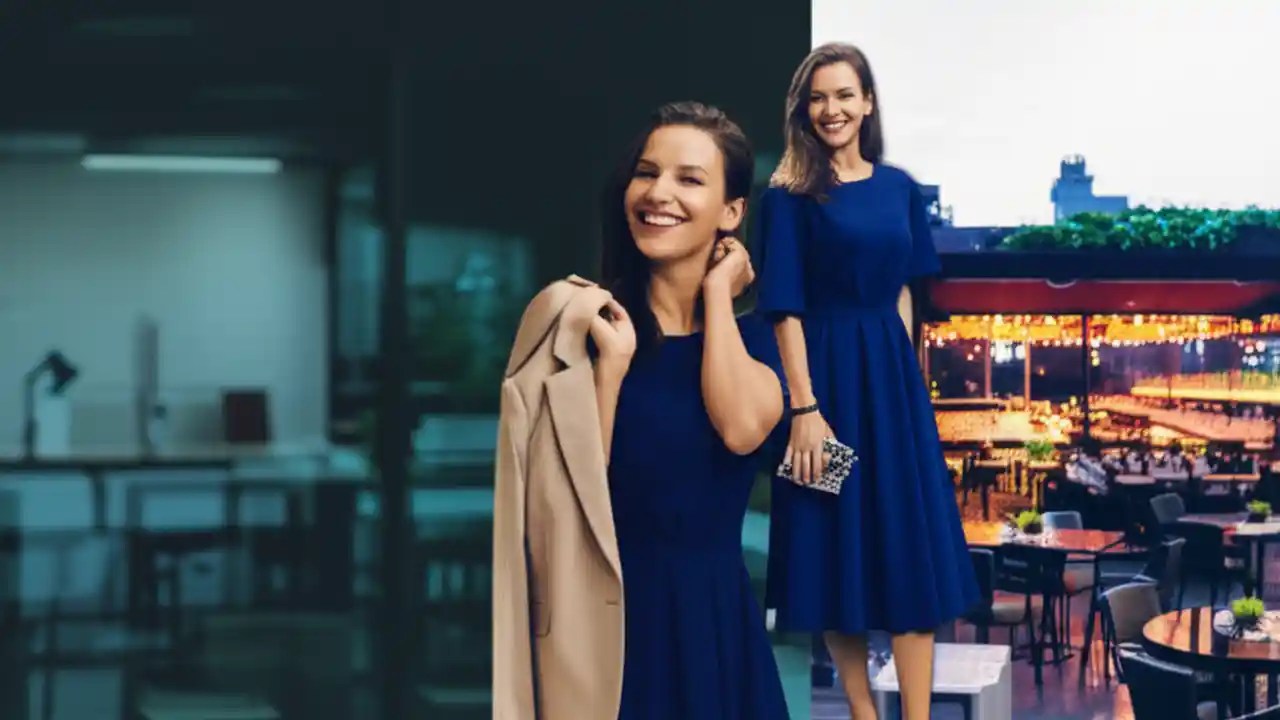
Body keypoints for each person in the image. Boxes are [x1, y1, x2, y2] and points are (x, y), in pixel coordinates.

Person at [755, 42, 979, 720]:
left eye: (844, 95)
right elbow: (783, 308)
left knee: (908, 549)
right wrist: (805, 408)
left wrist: (906, 377)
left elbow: (909, 292)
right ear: (804, 108)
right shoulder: (789, 198)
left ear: (867, 102)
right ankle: (861, 711)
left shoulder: (899, 188)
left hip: (891, 386)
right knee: (831, 548)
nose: (832, 109)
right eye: (819, 97)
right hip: (821, 383)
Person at [590, 100, 793, 720]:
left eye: (689, 179)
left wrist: (714, 295)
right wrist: (611, 369)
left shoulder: (763, 339)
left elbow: (739, 430)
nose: (659, 193)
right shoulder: (588, 325)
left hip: (716, 629)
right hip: (607, 626)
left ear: (731, 213)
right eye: (647, 172)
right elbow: (571, 494)